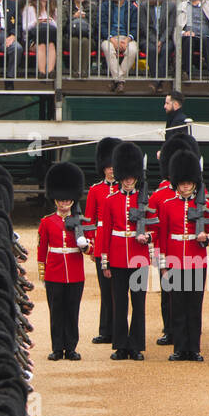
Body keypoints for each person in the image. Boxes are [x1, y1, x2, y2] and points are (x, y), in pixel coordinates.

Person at [96, 141, 154, 360]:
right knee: (119, 304)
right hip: (118, 258)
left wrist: (147, 237)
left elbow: (154, 228)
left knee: (138, 305)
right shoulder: (111, 201)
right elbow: (105, 232)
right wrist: (106, 262)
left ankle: (136, 345)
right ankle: (120, 345)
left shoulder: (144, 200)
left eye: (132, 177)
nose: (129, 181)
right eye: (126, 177)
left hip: (139, 259)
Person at [157, 149, 209, 361]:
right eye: (182, 183)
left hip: (197, 261)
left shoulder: (204, 205)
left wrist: (205, 238)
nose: (186, 186)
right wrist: (163, 264)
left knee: (195, 306)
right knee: (177, 306)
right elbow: (162, 235)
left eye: (189, 183)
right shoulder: (168, 205)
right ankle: (180, 348)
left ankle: (194, 348)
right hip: (175, 262)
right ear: (177, 184)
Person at [38, 161, 88, 360]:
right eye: (60, 200)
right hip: (55, 272)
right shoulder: (47, 221)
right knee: (56, 312)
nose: (64, 203)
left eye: (67, 200)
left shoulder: (80, 221)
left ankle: (71, 347)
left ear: (73, 200)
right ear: (55, 200)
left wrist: (85, 245)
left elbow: (89, 248)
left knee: (72, 311)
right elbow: (42, 249)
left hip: (75, 272)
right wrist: (43, 273)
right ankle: (57, 348)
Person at [88, 136, 121, 345]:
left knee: (118, 291)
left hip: (117, 244)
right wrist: (92, 245)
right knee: (105, 289)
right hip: (101, 244)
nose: (111, 170)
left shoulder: (122, 190)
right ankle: (105, 329)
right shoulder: (95, 190)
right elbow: (90, 221)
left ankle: (118, 329)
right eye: (108, 167)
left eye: (113, 167)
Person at [98, 0, 137, 91]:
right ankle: (120, 80)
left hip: (126, 37)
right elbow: (102, 26)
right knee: (107, 48)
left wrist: (128, 39)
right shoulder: (105, 6)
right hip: (110, 37)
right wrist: (111, 38)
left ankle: (117, 80)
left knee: (133, 50)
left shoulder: (131, 7)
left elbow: (135, 27)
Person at [20, 0, 58, 77]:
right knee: (41, 44)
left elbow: (58, 26)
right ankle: (42, 73)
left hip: (50, 37)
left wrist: (50, 20)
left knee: (51, 45)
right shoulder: (30, 8)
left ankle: (50, 72)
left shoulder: (53, 9)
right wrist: (36, 22)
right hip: (33, 39)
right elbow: (24, 27)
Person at [60, 0, 91, 77]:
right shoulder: (66, 7)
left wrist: (85, 20)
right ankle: (76, 71)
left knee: (85, 41)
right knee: (74, 40)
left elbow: (94, 25)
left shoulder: (91, 7)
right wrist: (74, 17)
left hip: (88, 36)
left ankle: (84, 71)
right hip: (68, 36)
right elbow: (62, 25)